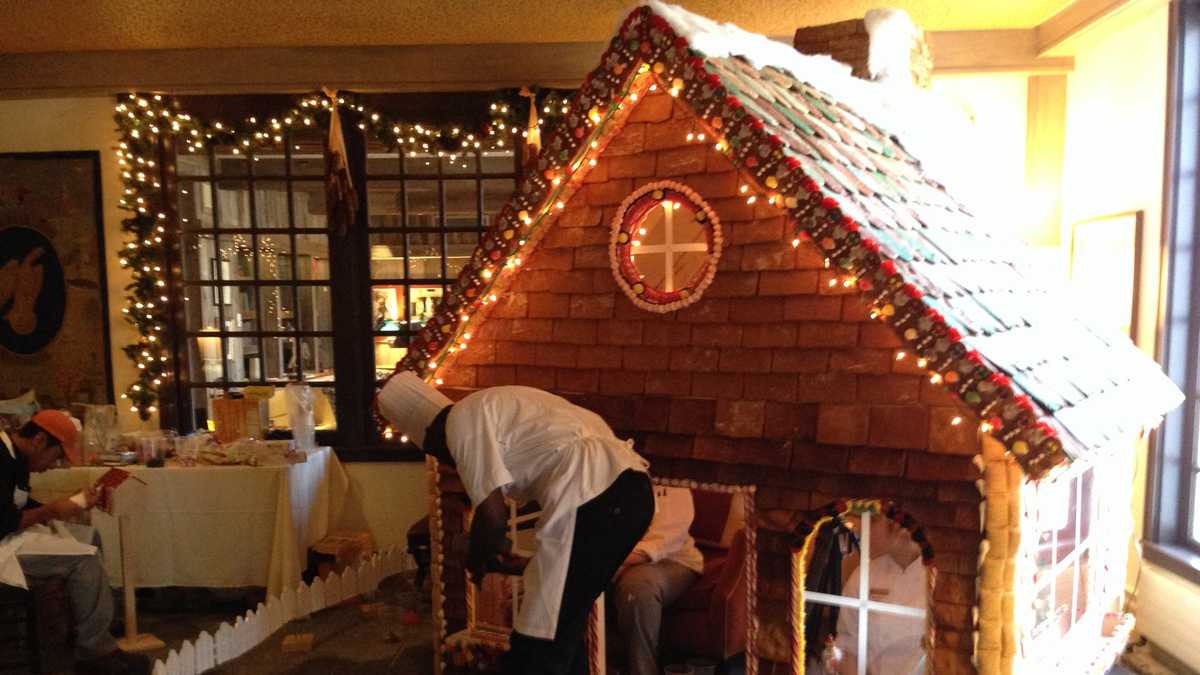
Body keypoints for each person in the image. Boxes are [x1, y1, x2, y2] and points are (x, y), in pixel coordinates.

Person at [378, 372, 654, 675]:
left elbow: (493, 518)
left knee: (536, 646)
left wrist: (476, 559)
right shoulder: (493, 406)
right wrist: (509, 559)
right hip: (632, 494)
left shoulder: (461, 421)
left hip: (596, 493)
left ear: (431, 437)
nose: (449, 461)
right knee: (562, 633)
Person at [0, 410, 151, 675]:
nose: (55, 465)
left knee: (89, 537)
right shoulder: (1, 458)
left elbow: (18, 502)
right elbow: (3, 520)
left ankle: (92, 626)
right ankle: (94, 654)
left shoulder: (17, 460)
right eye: (57, 455)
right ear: (39, 440)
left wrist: (65, 504)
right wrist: (53, 511)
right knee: (85, 558)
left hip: (10, 535)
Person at [611, 485, 703, 675]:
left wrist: (609, 564)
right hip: (611, 558)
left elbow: (661, 543)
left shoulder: (672, 480)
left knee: (637, 589)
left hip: (670, 560)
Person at [833, 513, 925, 675]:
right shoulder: (863, 575)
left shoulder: (940, 579)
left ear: (898, 526)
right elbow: (847, 645)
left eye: (873, 520)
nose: (861, 529)